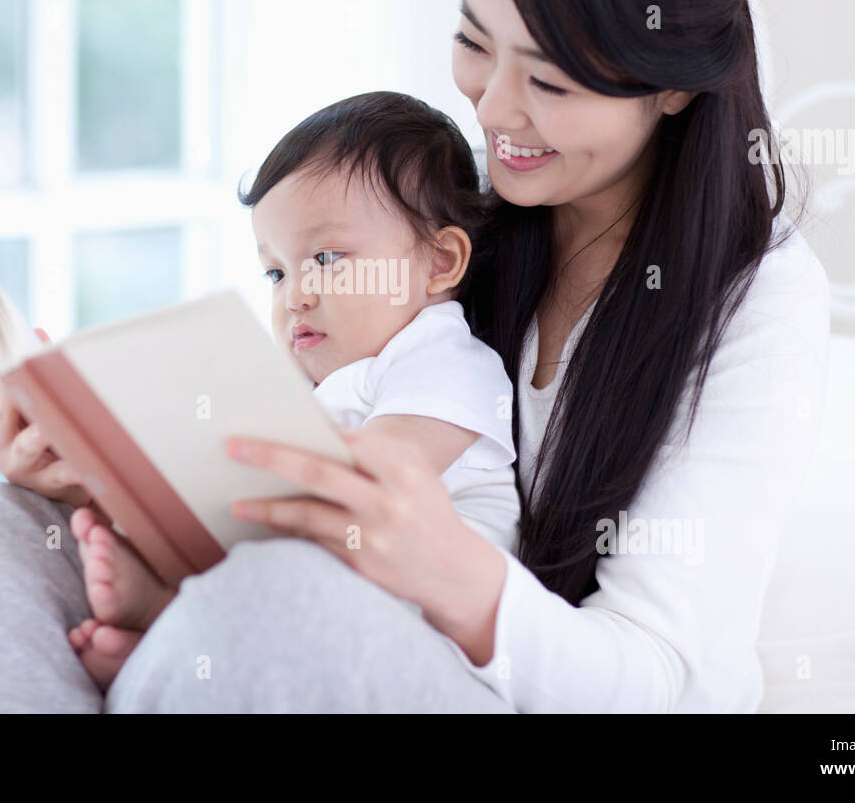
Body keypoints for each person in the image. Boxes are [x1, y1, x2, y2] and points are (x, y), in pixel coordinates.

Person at [0, 0, 829, 713]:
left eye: (550, 82)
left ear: (671, 84)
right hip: (343, 616)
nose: (495, 110)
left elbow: (665, 678)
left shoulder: (759, 300)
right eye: (474, 44)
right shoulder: (452, 224)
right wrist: (93, 472)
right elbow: (280, 453)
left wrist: (451, 573)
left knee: (275, 606)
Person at [67, 91, 521, 690]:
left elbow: (365, 484)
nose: (294, 296)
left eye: (327, 258)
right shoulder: (322, 376)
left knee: (269, 566)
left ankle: (171, 619)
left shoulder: (445, 359)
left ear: (439, 261)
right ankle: (175, 631)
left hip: (426, 648)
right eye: (276, 272)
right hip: (321, 604)